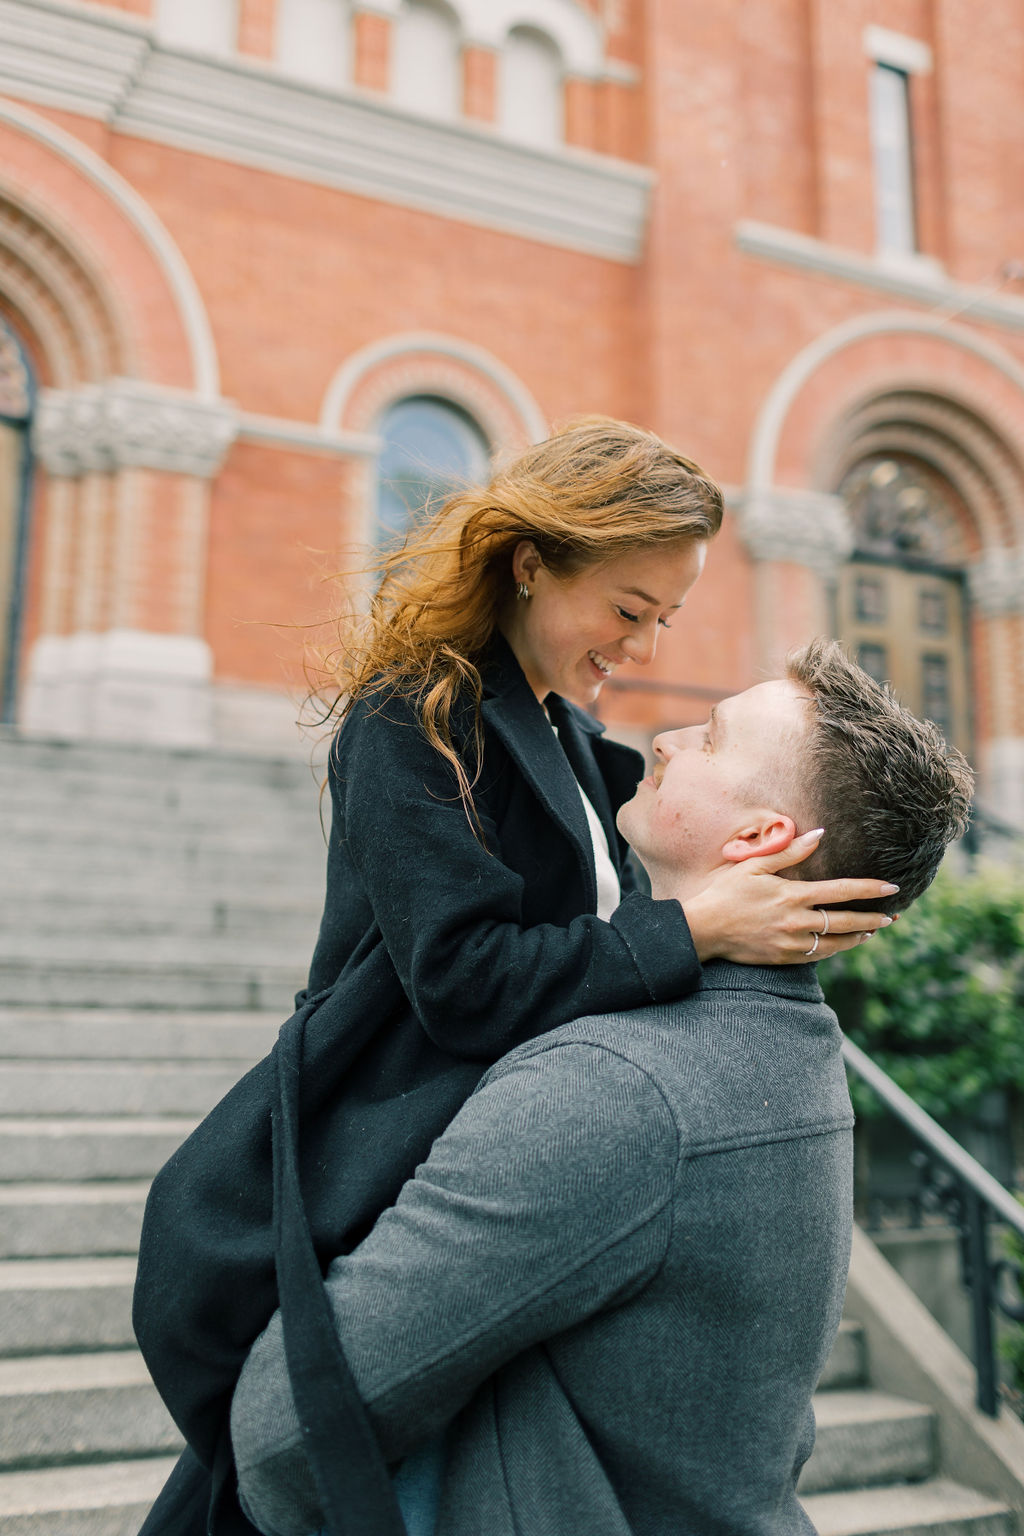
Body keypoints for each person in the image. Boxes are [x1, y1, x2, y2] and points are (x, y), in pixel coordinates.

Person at [134, 419, 896, 1534]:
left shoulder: (578, 745)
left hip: (502, 1170)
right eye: (627, 611)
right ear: (532, 562)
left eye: (664, 619)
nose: (641, 648)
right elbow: (463, 982)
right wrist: (689, 929)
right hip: (375, 1162)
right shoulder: (413, 716)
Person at [230, 639, 974, 1536]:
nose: (665, 738)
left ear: (760, 840)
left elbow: (287, 1431)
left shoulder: (616, 1091)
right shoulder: (794, 1049)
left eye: (712, 738)